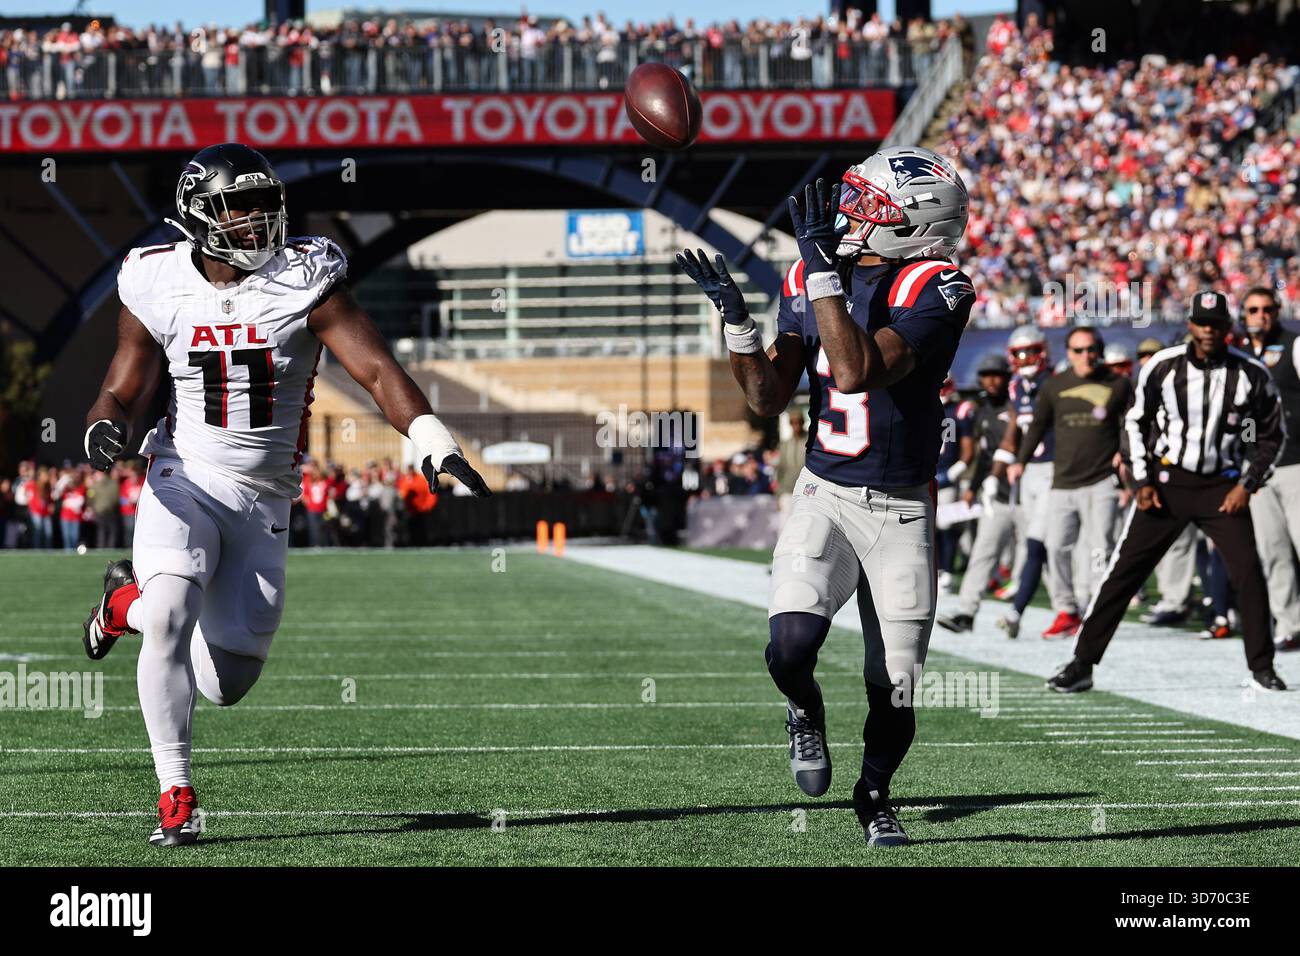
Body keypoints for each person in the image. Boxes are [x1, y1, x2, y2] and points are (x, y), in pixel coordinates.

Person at [78, 143, 491, 849]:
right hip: (185, 474)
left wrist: (430, 436)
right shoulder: (155, 279)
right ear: (197, 216)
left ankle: (124, 606)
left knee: (225, 682)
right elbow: (121, 388)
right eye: (238, 207)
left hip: (266, 497)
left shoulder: (305, 277)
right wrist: (101, 430)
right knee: (175, 609)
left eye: (265, 203)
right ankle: (176, 793)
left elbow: (377, 367)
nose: (258, 220)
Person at [678, 146, 972, 847]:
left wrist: (819, 271)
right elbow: (765, 396)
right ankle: (803, 711)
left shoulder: (939, 285)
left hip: (901, 508)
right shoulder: (815, 269)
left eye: (872, 205)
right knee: (789, 649)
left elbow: (852, 370)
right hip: (825, 494)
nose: (851, 213)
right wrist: (738, 324)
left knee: (893, 684)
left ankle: (873, 796)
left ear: (916, 224)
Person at [1049, 292, 1287, 694]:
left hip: (1221, 487)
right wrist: (1141, 482)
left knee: (1249, 574)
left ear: (1228, 327)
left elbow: (1271, 434)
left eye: (1216, 324)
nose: (1208, 330)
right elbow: (1134, 424)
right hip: (1166, 484)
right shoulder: (1163, 366)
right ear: (1191, 325)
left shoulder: (1250, 373)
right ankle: (1082, 662)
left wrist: (1247, 485)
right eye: (1201, 323)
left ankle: (1262, 667)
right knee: (1123, 574)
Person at [1007, 326, 1132, 639]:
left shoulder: (1118, 384)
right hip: (1062, 481)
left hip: (1102, 480)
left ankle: (1096, 613)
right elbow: (1037, 426)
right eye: (1078, 350)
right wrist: (1019, 461)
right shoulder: (1056, 385)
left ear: (1099, 350)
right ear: (1068, 353)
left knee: (1099, 550)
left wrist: (1125, 456)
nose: (1085, 356)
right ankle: (1067, 610)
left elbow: (1131, 423)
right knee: (1056, 549)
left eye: (1091, 349)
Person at [1240, 286, 1300, 652]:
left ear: (1276, 311)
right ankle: (1290, 623)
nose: (1259, 315)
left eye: (1266, 309)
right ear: (1244, 315)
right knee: (1272, 549)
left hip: (1296, 460)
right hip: (1259, 468)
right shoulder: (1239, 355)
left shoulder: (1294, 344)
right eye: (1252, 309)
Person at [935, 353, 1013, 633]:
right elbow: (983, 456)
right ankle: (966, 612)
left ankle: (1073, 610)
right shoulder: (981, 411)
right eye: (986, 375)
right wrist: (978, 485)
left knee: (1045, 552)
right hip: (997, 493)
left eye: (998, 375)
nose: (992, 381)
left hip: (1026, 487)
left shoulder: (1019, 405)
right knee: (982, 550)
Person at [989, 325, 1055, 638]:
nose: (1025, 358)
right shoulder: (1016, 386)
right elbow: (1014, 429)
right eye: (1019, 353)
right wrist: (997, 471)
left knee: (1037, 544)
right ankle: (1067, 607)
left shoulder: (1055, 381)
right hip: (1029, 472)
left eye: (1031, 351)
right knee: (1044, 544)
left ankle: (1018, 611)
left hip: (1056, 469)